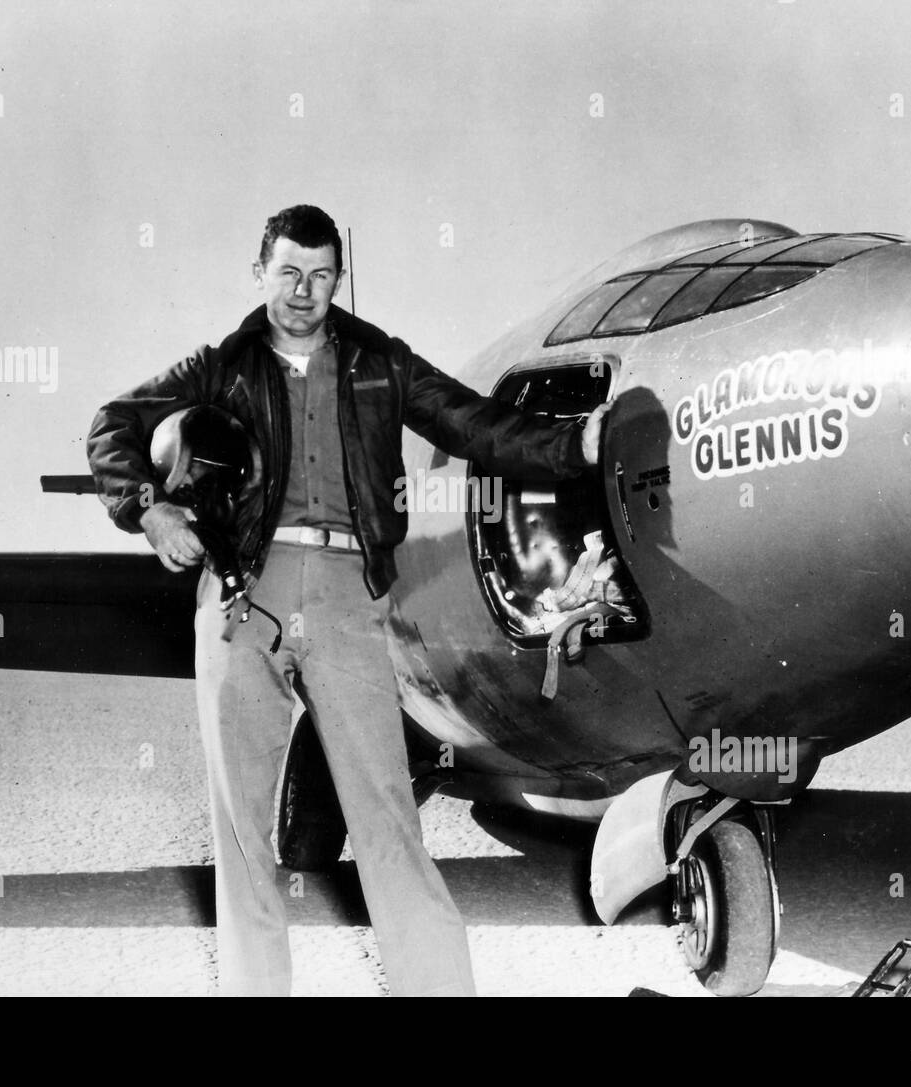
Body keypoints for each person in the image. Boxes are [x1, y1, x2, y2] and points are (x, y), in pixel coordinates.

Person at [87, 204, 608, 996]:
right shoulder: (220, 365)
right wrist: (149, 509)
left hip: (345, 597)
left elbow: (477, 425)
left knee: (386, 819)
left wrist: (574, 446)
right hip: (240, 597)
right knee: (241, 832)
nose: (304, 291)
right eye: (289, 272)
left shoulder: (379, 362)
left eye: (321, 275)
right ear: (259, 271)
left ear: (340, 276)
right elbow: (111, 426)